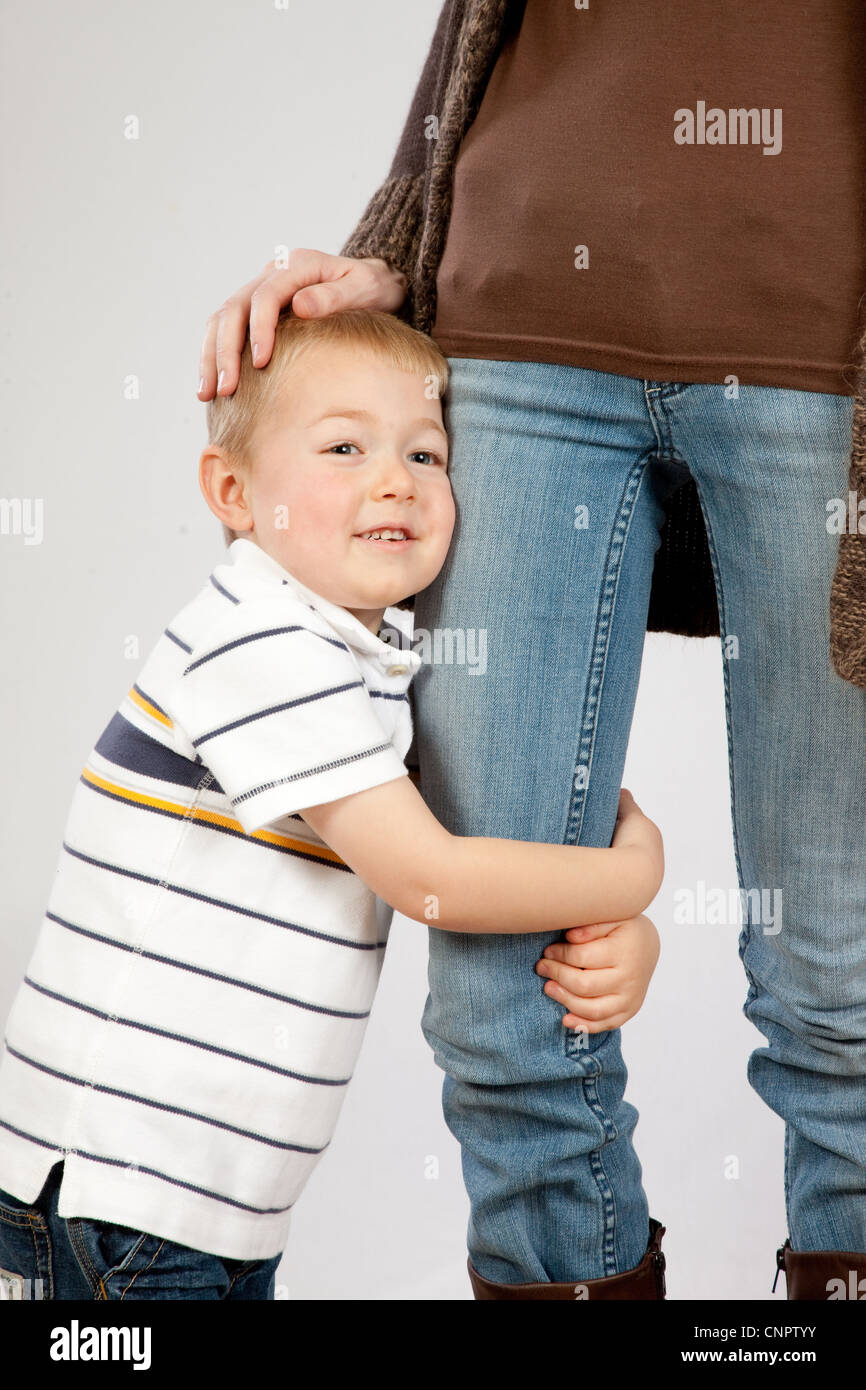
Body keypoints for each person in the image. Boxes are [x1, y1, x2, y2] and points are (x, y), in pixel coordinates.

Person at [197, 1, 866, 1301]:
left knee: (837, 984)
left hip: (824, 345)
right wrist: (398, 242)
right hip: (516, 323)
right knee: (504, 1000)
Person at [0, 306, 664, 1301]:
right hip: (119, 1197)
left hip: (202, 1208)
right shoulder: (259, 640)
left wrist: (611, 933)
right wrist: (635, 874)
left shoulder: (358, 661)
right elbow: (429, 875)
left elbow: (491, 849)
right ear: (233, 491)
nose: (393, 478)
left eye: (425, 453)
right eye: (343, 447)